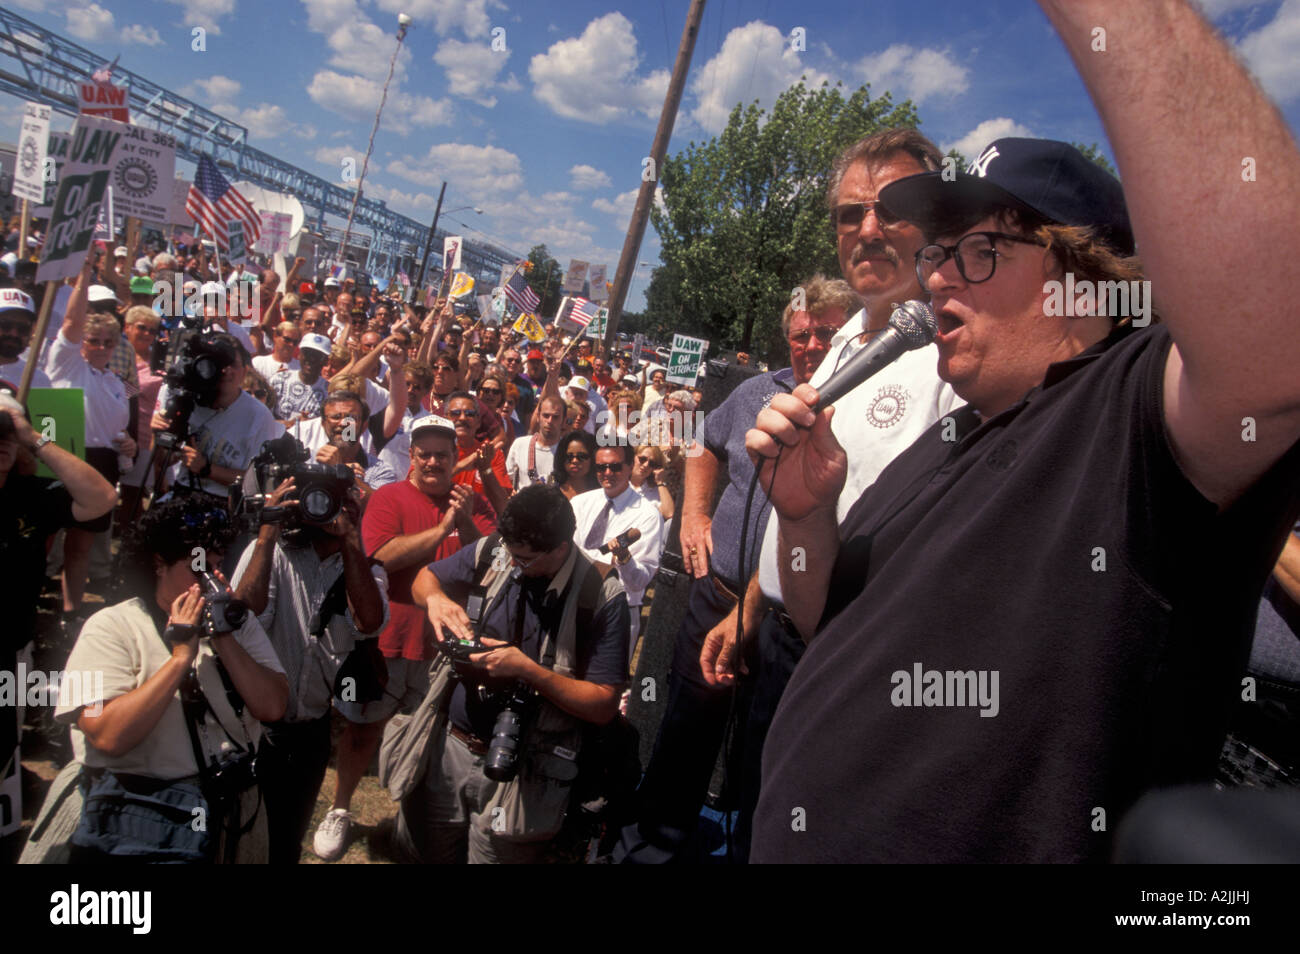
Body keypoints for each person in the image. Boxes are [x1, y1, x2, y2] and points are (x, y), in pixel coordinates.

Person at [746, 0, 1300, 863]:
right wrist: (807, 516)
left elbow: (1274, 329)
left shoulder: (1134, 419)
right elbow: (827, 620)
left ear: (1083, 272)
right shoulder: (951, 437)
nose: (934, 283)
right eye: (938, 256)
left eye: (976, 252)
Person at [696, 129, 962, 861]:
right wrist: (754, 603)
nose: (868, 230)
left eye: (892, 208)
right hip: (781, 638)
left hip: (863, 665)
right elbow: (805, 509)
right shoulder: (846, 335)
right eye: (850, 214)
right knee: (758, 826)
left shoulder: (957, 351)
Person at [617, 274, 864, 864]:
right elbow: (702, 441)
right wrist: (694, 513)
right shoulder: (757, 390)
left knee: (765, 760)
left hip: (786, 621)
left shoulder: (862, 405)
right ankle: (648, 847)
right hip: (713, 595)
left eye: (828, 332)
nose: (813, 345)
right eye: (802, 334)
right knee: (681, 736)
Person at [51, 496, 289, 863]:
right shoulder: (111, 627)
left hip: (222, 811)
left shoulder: (237, 626)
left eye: (216, 565)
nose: (212, 580)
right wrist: (180, 659)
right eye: (198, 567)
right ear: (158, 564)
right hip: (135, 815)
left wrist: (223, 636)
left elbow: (272, 706)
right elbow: (106, 734)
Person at [405, 484, 631, 863]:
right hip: (453, 748)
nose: (512, 564)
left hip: (529, 770)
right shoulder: (497, 550)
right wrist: (437, 600)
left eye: (524, 559)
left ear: (561, 547)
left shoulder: (602, 593)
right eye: (509, 552)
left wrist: (529, 672)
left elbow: (604, 704)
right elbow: (423, 579)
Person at [325, 415, 494, 858]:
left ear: (456, 458)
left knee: (431, 745)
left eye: (443, 454)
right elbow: (381, 555)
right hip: (391, 640)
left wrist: (467, 522)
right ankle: (340, 809)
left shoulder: (472, 503)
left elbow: (493, 567)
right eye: (425, 454)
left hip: (445, 650)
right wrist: (441, 531)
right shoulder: (388, 497)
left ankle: (409, 822)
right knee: (363, 730)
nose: (434, 462)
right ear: (412, 457)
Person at [232, 473, 388, 863]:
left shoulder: (366, 568)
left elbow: (369, 622)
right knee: (239, 837)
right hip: (252, 729)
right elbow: (242, 615)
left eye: (332, 499)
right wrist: (268, 532)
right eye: (312, 498)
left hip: (310, 732)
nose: (321, 509)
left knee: (286, 842)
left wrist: (352, 539)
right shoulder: (268, 552)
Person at [1, 395, 117, 784]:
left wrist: (29, 434)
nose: (2, 441)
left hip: (12, 649)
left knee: (3, 749)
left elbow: (101, 498)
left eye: (8, 434)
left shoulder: (31, 495)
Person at [44, 260, 137, 623]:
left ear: (116, 345)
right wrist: (84, 276)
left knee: (81, 545)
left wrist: (129, 444)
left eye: (107, 342)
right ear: (81, 342)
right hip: (62, 456)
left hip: (102, 465)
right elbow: (69, 323)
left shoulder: (117, 383)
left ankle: (71, 612)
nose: (100, 346)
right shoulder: (65, 363)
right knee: (46, 537)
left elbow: (125, 420)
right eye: (93, 340)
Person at [151, 332, 282, 502]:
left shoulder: (259, 415)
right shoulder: (188, 401)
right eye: (220, 364)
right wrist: (157, 435)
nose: (226, 371)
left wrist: (206, 469)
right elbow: (161, 462)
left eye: (233, 364)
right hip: (182, 492)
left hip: (224, 502)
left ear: (245, 371)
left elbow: (256, 481)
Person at [572, 443, 663, 663]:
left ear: (630, 465)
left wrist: (624, 558)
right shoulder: (580, 503)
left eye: (615, 467)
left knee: (605, 689)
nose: (607, 473)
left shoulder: (648, 515)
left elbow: (639, 582)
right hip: (574, 607)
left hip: (617, 612)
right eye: (601, 467)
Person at [269, 333, 332, 425]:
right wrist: (291, 424)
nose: (311, 359)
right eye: (307, 353)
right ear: (299, 355)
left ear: (326, 361)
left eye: (317, 356)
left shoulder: (329, 392)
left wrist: (308, 425)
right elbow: (263, 419)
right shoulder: (279, 380)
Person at [505, 394, 565, 490]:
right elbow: (507, 479)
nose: (549, 421)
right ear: (538, 416)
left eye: (556, 417)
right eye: (546, 415)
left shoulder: (567, 449)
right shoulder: (520, 444)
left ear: (563, 420)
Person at [630, 444, 677, 523]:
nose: (646, 465)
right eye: (642, 459)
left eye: (651, 463)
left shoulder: (655, 492)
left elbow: (669, 514)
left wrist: (660, 482)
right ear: (633, 458)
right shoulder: (620, 483)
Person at [552, 429, 598, 500]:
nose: (575, 461)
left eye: (582, 456)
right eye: (569, 456)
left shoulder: (600, 494)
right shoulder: (552, 492)